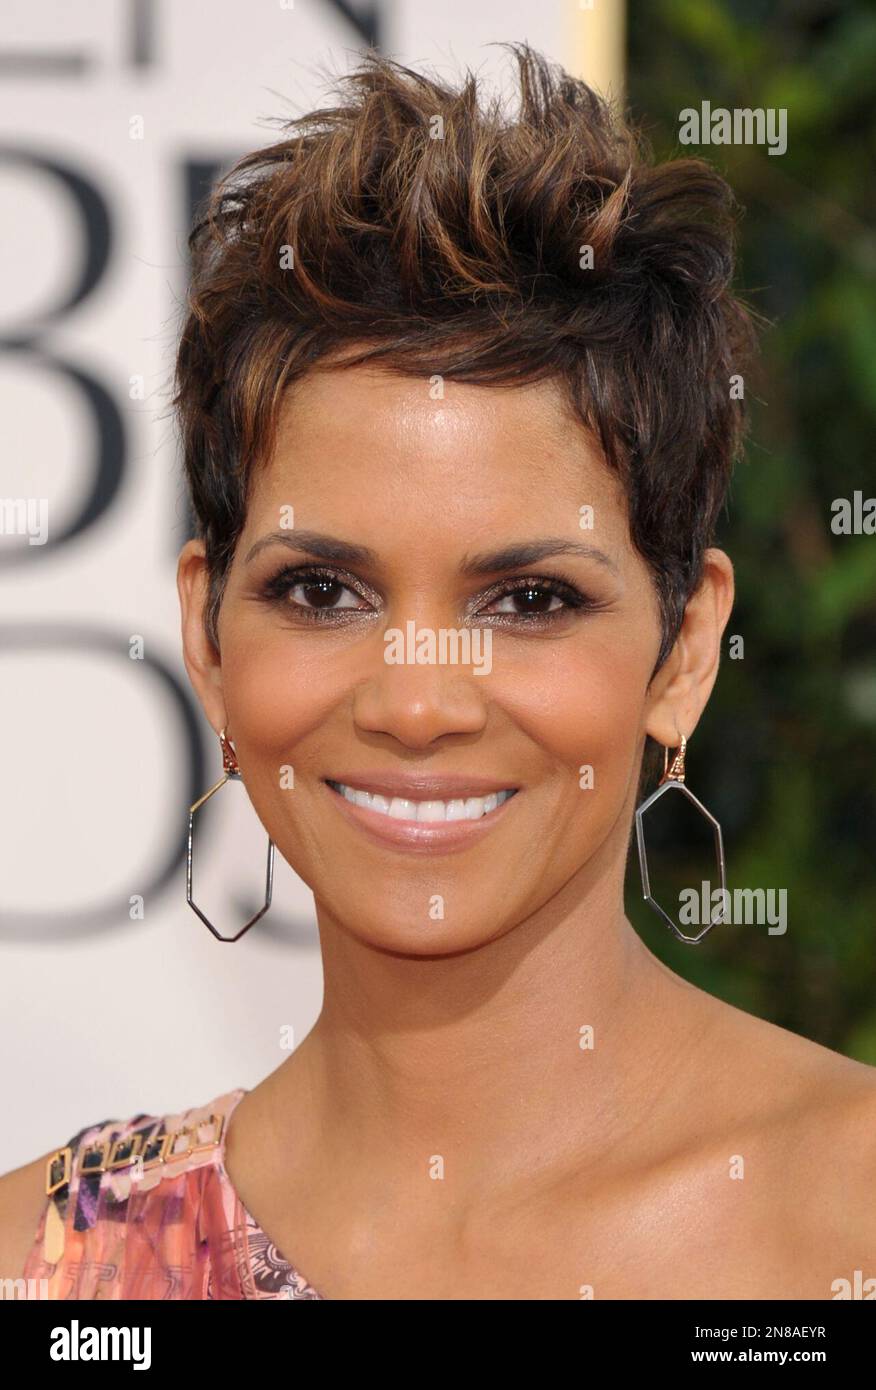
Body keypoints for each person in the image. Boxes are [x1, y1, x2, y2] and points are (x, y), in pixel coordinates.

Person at [2, 42, 874, 1301]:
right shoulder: (55, 1268)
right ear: (207, 639)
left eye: (529, 600)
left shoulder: (848, 1220)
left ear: (684, 651)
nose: (415, 702)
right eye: (322, 591)